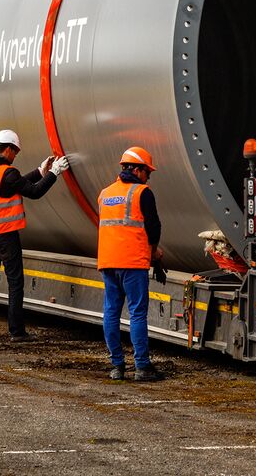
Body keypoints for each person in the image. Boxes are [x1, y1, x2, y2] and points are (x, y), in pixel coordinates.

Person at [0, 128, 69, 342]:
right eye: (16, 152)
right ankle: (16, 331)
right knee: (15, 282)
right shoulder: (7, 173)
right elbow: (34, 192)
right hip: (6, 236)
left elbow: (14, 185)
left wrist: (40, 171)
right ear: (9, 149)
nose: (16, 155)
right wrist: (54, 173)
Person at [97, 145, 165, 382]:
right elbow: (154, 228)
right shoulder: (141, 192)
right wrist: (154, 253)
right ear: (137, 170)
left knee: (111, 312)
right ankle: (142, 367)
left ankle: (116, 366)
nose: (149, 177)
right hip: (133, 263)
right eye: (148, 172)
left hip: (108, 262)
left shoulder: (105, 193)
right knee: (137, 313)